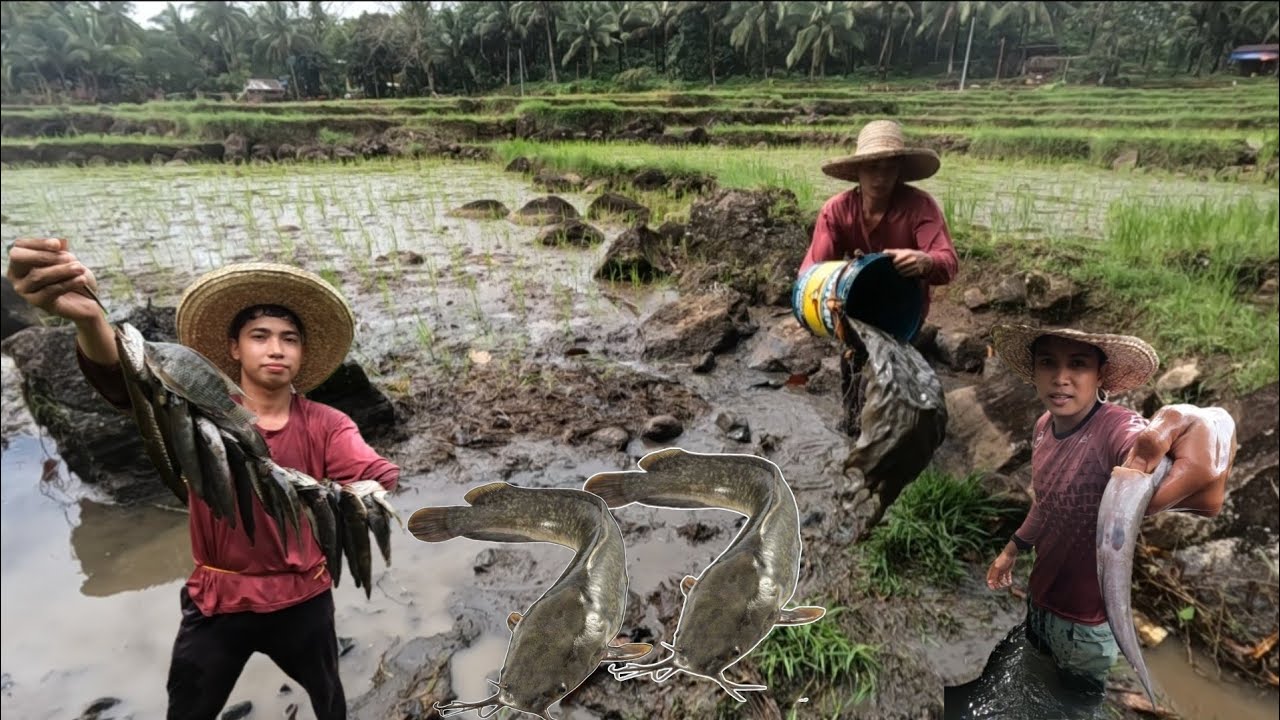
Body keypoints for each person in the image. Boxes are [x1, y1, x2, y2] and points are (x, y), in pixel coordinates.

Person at [5, 239, 400, 720]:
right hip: (216, 602)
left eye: (289, 338)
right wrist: (89, 319)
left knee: (329, 702)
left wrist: (364, 495)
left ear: (301, 352)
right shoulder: (197, 412)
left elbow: (376, 478)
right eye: (259, 335)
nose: (275, 348)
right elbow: (127, 377)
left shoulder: (328, 424)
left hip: (304, 599)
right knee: (188, 709)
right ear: (234, 348)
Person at [983, 323, 1234, 698]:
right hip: (1040, 600)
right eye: (1048, 362)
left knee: (1075, 706)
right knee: (1035, 685)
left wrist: (1213, 423)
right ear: (1033, 372)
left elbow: (1150, 440)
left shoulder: (1114, 430)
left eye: (1078, 364)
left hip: (1085, 626)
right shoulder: (1042, 427)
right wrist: (1011, 550)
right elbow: (1046, 503)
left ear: (1100, 374)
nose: (1061, 378)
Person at [799, 119, 959, 436]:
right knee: (852, 361)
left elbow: (948, 262)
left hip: (903, 309)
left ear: (900, 170)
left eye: (889, 167)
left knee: (896, 371)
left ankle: (895, 433)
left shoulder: (920, 206)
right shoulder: (837, 211)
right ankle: (853, 423)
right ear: (857, 170)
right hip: (853, 303)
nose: (880, 176)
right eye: (872, 167)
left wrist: (925, 261)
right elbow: (812, 273)